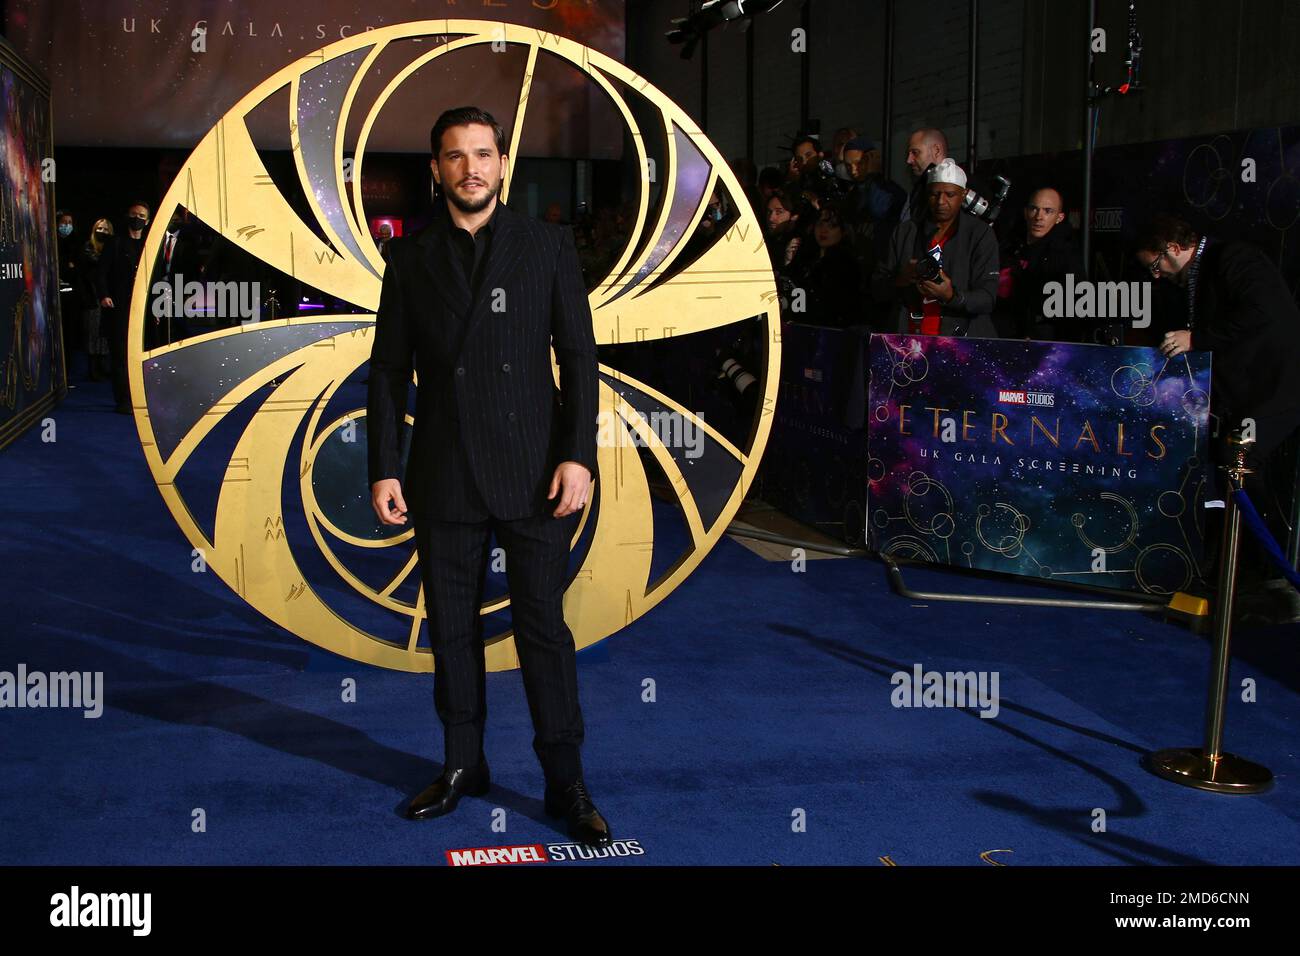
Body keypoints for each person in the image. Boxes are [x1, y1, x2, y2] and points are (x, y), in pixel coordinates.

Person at [366, 105, 610, 845]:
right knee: (452, 631)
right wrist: (384, 467)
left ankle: (565, 780)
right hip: (443, 471)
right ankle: (461, 765)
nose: (471, 167)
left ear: (503, 164)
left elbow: (579, 357)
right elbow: (387, 373)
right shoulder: (409, 259)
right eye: (454, 155)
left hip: (535, 467)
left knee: (543, 629)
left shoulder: (546, 247)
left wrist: (579, 454)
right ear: (436, 168)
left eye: (483, 153)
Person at [1136, 214, 1300, 623]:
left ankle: (1265, 578)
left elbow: (1264, 316)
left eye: (1155, 265)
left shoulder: (1235, 259)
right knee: (1222, 469)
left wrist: (1199, 339)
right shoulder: (1201, 273)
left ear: (1173, 248)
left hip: (1275, 390)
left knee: (1242, 469)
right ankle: (1230, 571)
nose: (1156, 276)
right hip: (1244, 395)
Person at [872, 158, 1000, 336]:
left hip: (960, 344)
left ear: (963, 195)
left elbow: (987, 298)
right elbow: (877, 289)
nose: (941, 201)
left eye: (950, 194)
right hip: (909, 340)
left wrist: (951, 296)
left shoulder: (980, 234)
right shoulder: (906, 232)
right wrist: (901, 279)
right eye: (934, 194)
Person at [995, 186, 1082, 339]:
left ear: (1059, 218)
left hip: (1043, 341)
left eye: (1048, 211)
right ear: (1025, 212)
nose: (1039, 217)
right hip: (1002, 334)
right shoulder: (1008, 247)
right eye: (1034, 209)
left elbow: (1073, 309)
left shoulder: (1065, 255)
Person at [94, 201, 151, 413]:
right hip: (118, 307)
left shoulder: (149, 245)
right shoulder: (115, 243)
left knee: (141, 355)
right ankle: (124, 400)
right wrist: (104, 295)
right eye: (134, 214)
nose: (137, 219)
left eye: (142, 216)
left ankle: (141, 396)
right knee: (120, 355)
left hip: (142, 309)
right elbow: (101, 272)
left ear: (148, 220)